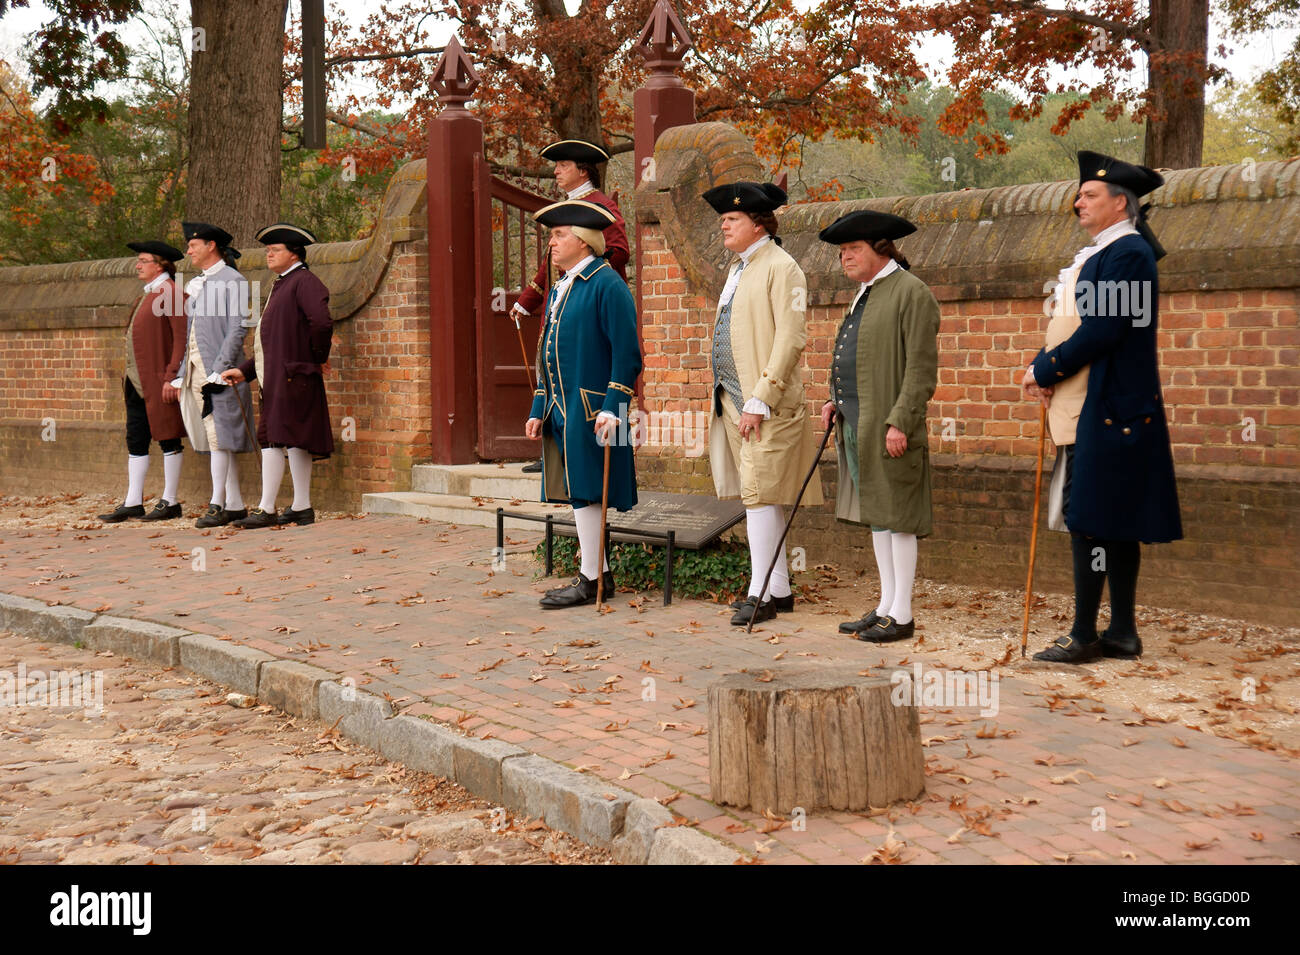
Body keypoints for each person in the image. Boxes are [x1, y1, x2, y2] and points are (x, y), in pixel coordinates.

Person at [1022, 151, 1182, 663]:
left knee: (1091, 518)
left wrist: (1046, 370)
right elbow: (1075, 324)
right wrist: (1044, 359)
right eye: (1078, 194)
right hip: (1096, 399)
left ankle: (1088, 633)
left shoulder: (1127, 253)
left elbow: (1107, 329)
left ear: (1121, 203)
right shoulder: (1104, 253)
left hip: (1110, 404)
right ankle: (1122, 632)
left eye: (1089, 194)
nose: (1077, 202)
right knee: (1109, 518)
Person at [701, 181, 824, 627]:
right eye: (722, 221)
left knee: (758, 496)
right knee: (761, 495)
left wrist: (761, 396)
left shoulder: (783, 267)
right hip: (734, 400)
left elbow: (791, 339)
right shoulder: (740, 268)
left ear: (757, 223)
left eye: (730, 220)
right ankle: (780, 589)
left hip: (762, 403)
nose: (724, 228)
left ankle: (760, 595)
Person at [817, 211, 940, 643]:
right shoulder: (866, 293)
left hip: (890, 427)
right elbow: (856, 358)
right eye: (842, 251)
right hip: (857, 421)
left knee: (899, 517)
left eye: (852, 249)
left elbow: (921, 370)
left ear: (880, 248)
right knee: (879, 517)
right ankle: (886, 605)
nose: (844, 258)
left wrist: (900, 421)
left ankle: (902, 615)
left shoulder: (912, 293)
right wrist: (836, 399)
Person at [524, 199, 641, 609]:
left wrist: (613, 406)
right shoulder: (562, 286)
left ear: (584, 240)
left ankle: (592, 579)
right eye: (551, 236)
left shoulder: (607, 284)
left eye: (558, 235)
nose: (551, 244)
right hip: (563, 407)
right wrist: (540, 406)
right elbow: (548, 353)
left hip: (595, 409)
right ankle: (597, 574)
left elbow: (627, 354)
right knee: (579, 493)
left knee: (590, 491)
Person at [513, 139, 629, 474]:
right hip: (559, 304)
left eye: (563, 165)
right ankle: (554, 444)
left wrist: (587, 274)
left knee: (581, 378)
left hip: (585, 308)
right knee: (550, 373)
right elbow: (547, 265)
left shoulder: (601, 205)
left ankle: (588, 450)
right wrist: (526, 302)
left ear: (582, 169)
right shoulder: (568, 207)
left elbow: (619, 250)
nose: (556, 171)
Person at [221, 223, 334, 529]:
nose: (269, 254)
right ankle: (301, 507)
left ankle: (267, 508)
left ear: (294, 253)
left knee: (277, 438)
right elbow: (271, 343)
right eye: (268, 250)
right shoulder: (282, 283)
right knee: (288, 439)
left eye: (275, 250)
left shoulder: (305, 282)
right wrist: (245, 371)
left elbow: (321, 323)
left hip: (293, 376)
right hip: (280, 377)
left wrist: (316, 358)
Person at [98, 240, 187, 523]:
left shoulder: (171, 292)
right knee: (136, 439)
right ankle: (133, 501)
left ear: (160, 264)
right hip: (136, 383)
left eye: (143, 260)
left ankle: (170, 501)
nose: (137, 265)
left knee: (168, 437)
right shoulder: (149, 294)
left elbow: (181, 339)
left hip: (160, 380)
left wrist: (173, 376)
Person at [175, 221, 254, 528]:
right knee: (215, 437)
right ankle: (233, 504)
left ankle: (218, 503)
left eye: (193, 245)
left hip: (218, 373)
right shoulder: (202, 282)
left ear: (211, 246)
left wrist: (219, 369)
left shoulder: (232, 279)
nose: (188, 250)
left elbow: (238, 327)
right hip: (197, 370)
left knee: (220, 438)